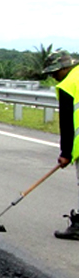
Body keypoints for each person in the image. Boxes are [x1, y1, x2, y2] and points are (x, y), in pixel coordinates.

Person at [42, 51, 79, 240]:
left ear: (65, 68)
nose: (53, 77)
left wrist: (66, 153)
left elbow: (67, 124)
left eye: (55, 72)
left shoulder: (68, 85)